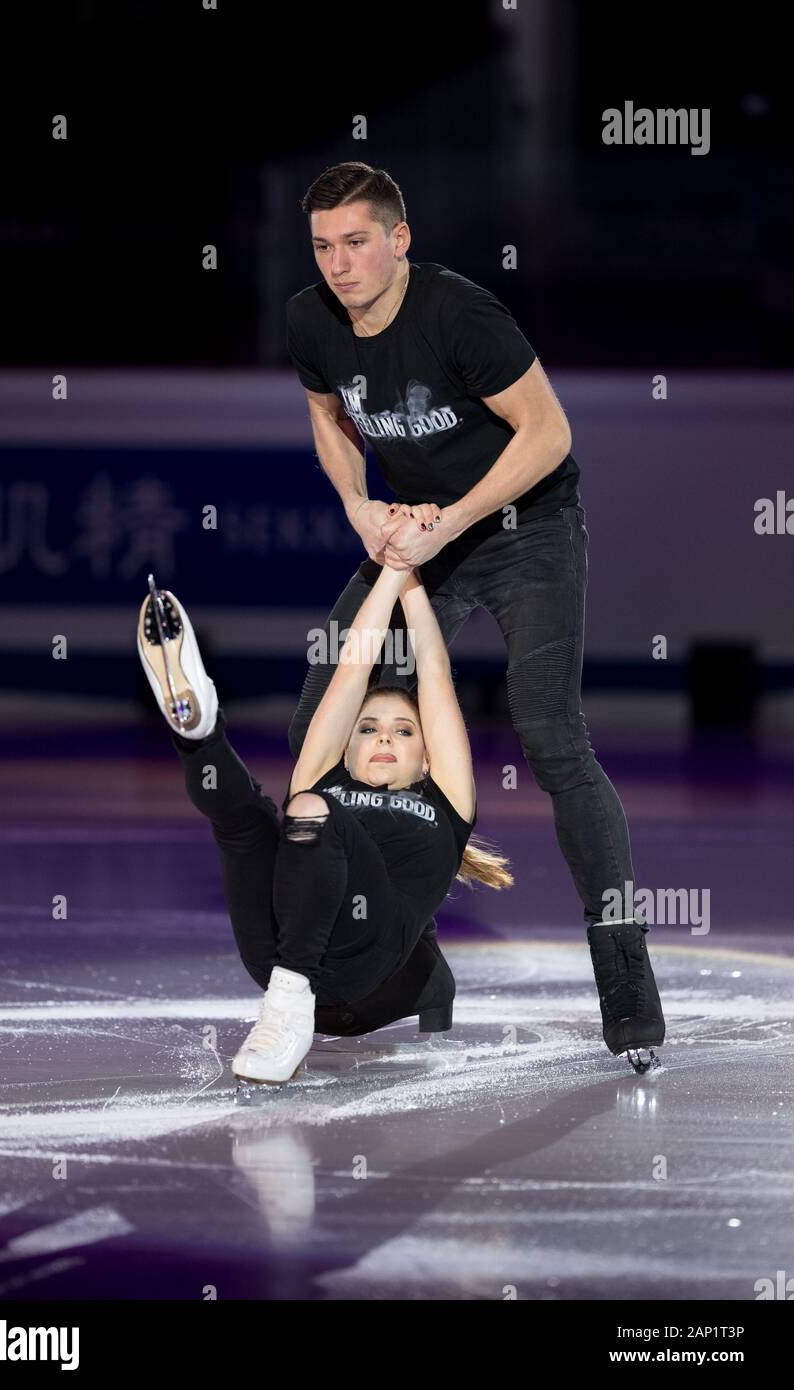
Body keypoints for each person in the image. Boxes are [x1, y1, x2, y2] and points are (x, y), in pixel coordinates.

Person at [285, 160, 665, 1071]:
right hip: (424, 536)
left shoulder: (460, 313)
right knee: (321, 726)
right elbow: (329, 417)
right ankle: (404, 963)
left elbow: (549, 432)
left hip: (526, 529)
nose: (340, 265)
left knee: (550, 736)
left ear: (400, 239)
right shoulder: (311, 319)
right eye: (324, 247)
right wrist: (359, 508)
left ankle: (626, 986)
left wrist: (452, 519)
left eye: (358, 243)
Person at [136, 562, 512, 1086]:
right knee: (248, 822)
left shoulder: (445, 800)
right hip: (274, 946)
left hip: (361, 958)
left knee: (312, 810)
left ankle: (287, 1009)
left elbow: (432, 668)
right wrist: (389, 571)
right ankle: (199, 732)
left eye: (403, 731)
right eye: (368, 728)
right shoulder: (324, 778)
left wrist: (407, 572)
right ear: (348, 745)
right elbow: (353, 666)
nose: (383, 738)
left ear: (427, 757)